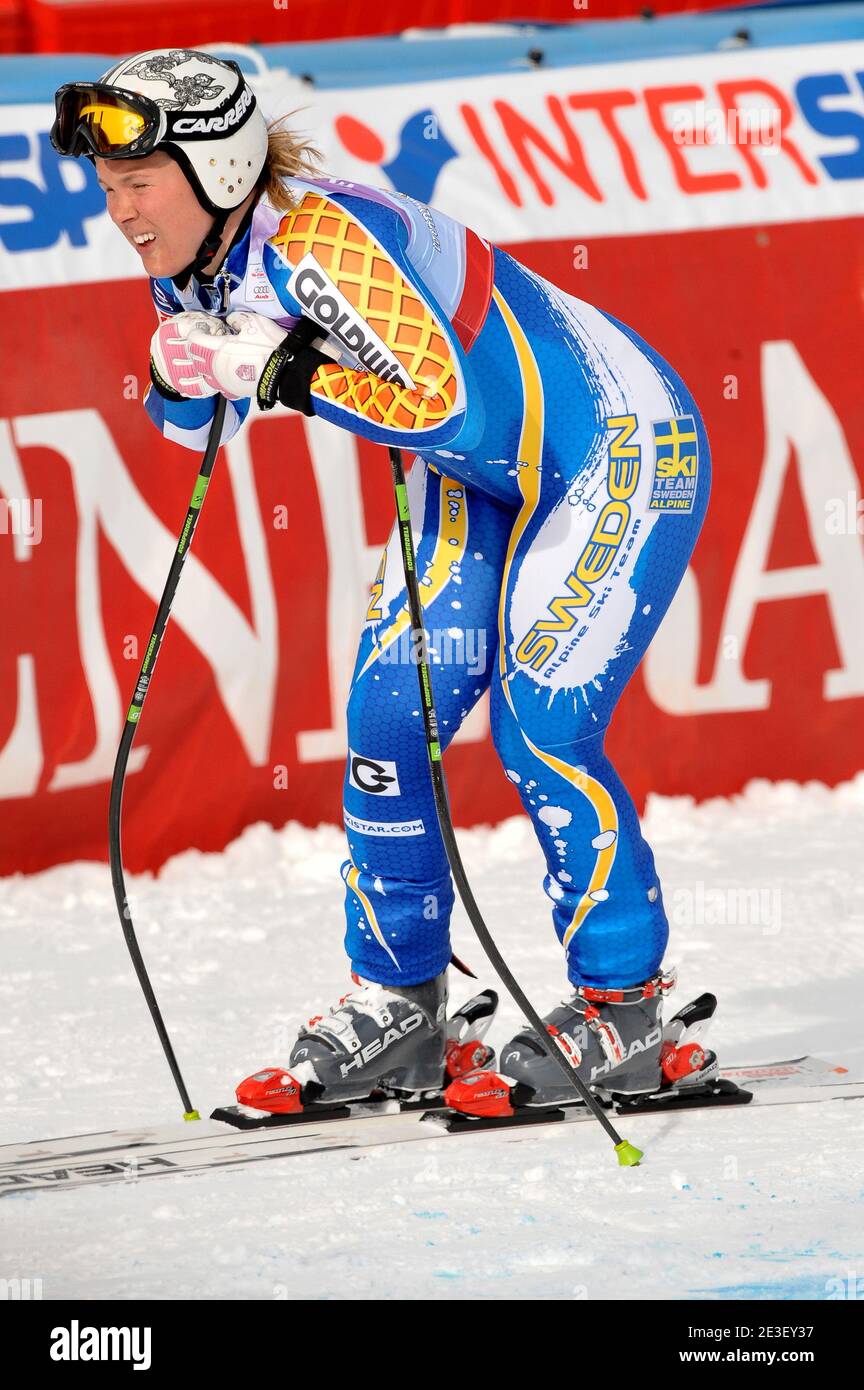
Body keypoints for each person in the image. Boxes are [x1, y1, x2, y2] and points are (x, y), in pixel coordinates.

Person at [52, 47, 714, 1116]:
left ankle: (625, 1011)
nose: (118, 210)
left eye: (136, 184)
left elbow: (441, 404)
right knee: (387, 717)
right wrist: (183, 370)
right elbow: (193, 415)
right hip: (486, 472)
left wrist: (268, 367)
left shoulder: (318, 241)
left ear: (216, 171)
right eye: (108, 188)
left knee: (542, 724)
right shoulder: (193, 248)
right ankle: (403, 1003)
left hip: (614, 450)